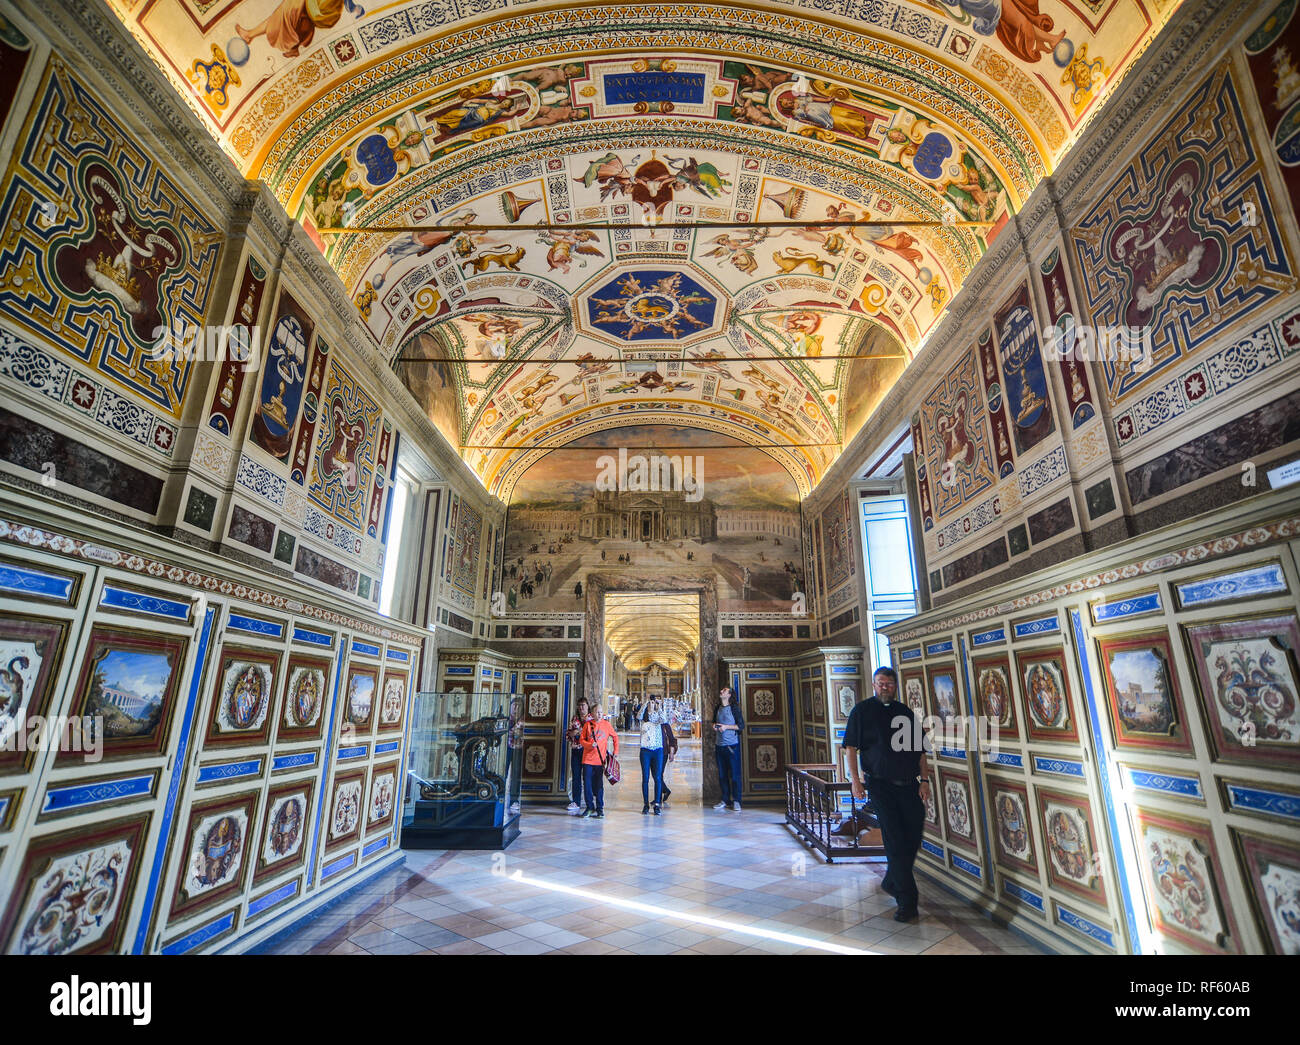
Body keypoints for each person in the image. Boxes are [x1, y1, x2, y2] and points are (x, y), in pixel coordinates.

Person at [843, 666, 931, 922]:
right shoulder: (861, 711)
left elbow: (920, 751)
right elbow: (851, 748)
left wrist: (924, 780)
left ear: (895, 686)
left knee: (913, 836)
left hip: (909, 785)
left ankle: (893, 880)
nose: (885, 687)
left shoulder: (904, 713)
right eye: (881, 683)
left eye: (889, 684)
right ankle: (908, 901)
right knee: (894, 840)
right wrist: (855, 781)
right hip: (880, 785)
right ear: (874, 685)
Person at [580, 703, 618, 819]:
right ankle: (589, 807)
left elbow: (615, 737)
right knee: (587, 785)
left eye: (601, 712)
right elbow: (581, 740)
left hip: (600, 761)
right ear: (592, 714)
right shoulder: (587, 725)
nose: (600, 714)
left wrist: (615, 752)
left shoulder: (606, 725)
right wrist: (590, 745)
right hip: (587, 760)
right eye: (597, 712)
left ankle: (600, 808)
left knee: (599, 785)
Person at [712, 687, 744, 812]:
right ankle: (725, 799)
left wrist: (726, 727)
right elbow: (713, 722)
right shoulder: (717, 708)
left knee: (735, 775)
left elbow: (741, 726)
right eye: (721, 690)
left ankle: (736, 801)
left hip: (732, 746)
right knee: (722, 775)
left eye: (724, 690)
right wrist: (714, 726)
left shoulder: (734, 708)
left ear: (729, 694)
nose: (721, 691)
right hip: (719, 745)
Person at [638, 699, 667, 814]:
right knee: (645, 778)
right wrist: (645, 704)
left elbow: (664, 719)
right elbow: (639, 715)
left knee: (658, 778)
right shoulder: (643, 717)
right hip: (645, 751)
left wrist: (658, 706)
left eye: (653, 703)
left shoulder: (658, 718)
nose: (652, 704)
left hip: (657, 750)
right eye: (651, 702)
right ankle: (645, 804)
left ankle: (657, 804)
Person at [565, 698, 590, 814]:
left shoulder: (591, 719)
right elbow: (568, 734)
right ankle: (576, 801)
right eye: (579, 705)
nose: (581, 708)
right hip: (576, 750)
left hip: (588, 752)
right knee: (576, 776)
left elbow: (592, 734)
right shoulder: (574, 719)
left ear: (587, 706)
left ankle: (589, 801)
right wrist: (572, 733)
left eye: (583, 705)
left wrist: (578, 732)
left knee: (587, 777)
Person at [505, 697, 523, 815]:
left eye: (518, 706)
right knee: (503, 773)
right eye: (514, 705)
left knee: (516, 775)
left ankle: (514, 800)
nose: (516, 708)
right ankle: (500, 796)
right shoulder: (506, 719)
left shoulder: (523, 721)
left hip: (518, 749)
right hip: (506, 749)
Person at [660, 709, 679, 807]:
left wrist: (671, 753)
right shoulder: (650, 725)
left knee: (658, 774)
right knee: (656, 775)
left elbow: (672, 739)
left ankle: (658, 797)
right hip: (653, 752)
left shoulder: (665, 725)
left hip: (663, 753)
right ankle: (665, 791)